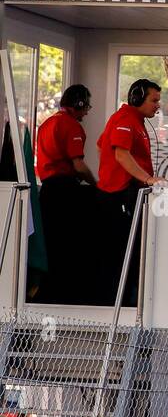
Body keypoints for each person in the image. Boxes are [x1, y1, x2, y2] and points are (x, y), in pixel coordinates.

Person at [96, 79, 168, 306]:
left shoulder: (135, 121)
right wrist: (147, 178)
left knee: (128, 253)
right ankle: (118, 305)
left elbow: (102, 145)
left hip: (124, 194)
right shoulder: (125, 119)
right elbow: (121, 154)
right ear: (137, 98)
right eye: (154, 100)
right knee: (121, 255)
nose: (158, 105)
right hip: (118, 197)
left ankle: (124, 302)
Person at [35, 84, 98, 303]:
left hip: (47, 192)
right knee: (67, 245)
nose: (87, 111)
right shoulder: (70, 126)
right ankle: (64, 294)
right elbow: (78, 165)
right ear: (78, 104)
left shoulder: (45, 125)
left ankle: (47, 292)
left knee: (51, 243)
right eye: (86, 106)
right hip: (65, 192)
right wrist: (95, 184)